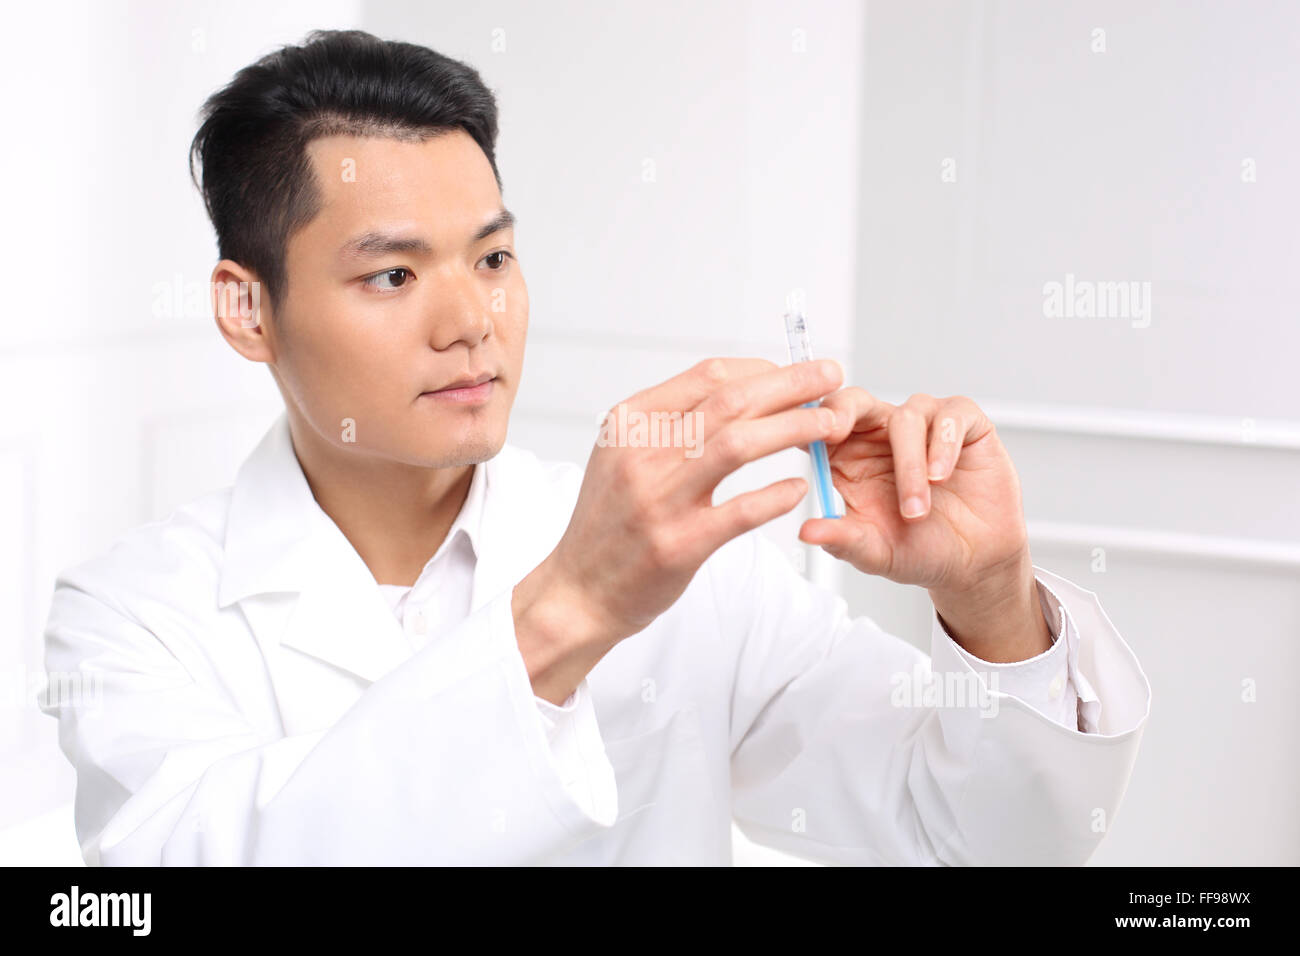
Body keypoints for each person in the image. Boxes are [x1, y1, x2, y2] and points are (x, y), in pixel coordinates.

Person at [40, 28, 1150, 866]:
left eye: (491, 259)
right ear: (249, 310)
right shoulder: (131, 615)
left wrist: (993, 600)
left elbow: (978, 836)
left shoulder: (693, 567)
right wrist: (570, 607)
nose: (471, 320)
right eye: (392, 273)